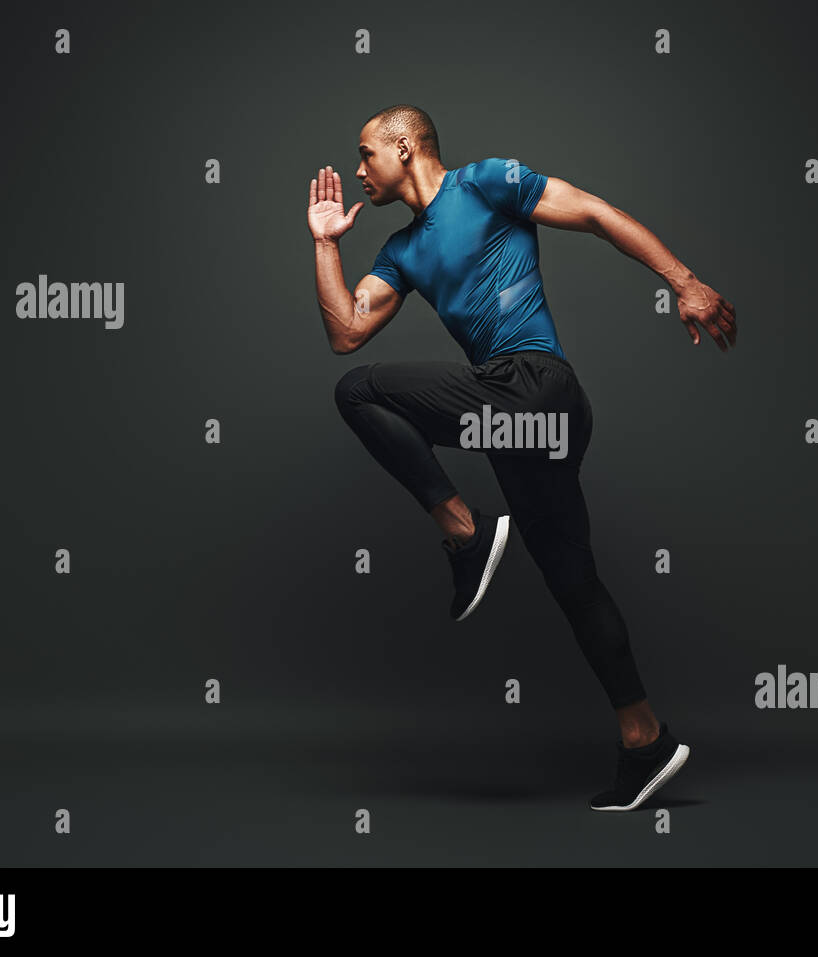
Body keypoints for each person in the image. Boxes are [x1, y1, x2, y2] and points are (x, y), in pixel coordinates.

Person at [308, 104, 736, 811]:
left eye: (365, 155)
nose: (358, 171)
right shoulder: (401, 251)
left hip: (538, 391)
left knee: (360, 394)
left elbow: (595, 213)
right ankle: (645, 740)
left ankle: (467, 530)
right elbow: (347, 332)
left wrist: (683, 281)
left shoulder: (484, 183)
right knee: (574, 582)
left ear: (406, 147)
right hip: (513, 425)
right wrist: (324, 244)